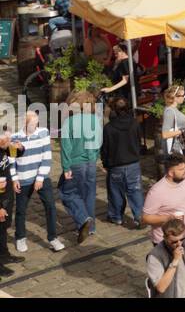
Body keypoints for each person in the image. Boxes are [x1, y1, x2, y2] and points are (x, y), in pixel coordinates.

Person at [59, 90, 100, 245]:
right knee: (89, 194)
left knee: (67, 193)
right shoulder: (95, 120)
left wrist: (66, 166)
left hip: (75, 163)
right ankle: (91, 227)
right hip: (91, 163)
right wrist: (94, 157)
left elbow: (66, 147)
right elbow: (98, 142)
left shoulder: (69, 122)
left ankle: (83, 219)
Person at [99, 97, 143, 230]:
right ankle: (139, 217)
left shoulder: (108, 128)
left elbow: (105, 149)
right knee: (135, 191)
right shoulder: (134, 123)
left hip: (115, 166)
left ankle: (116, 217)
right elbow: (138, 141)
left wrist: (105, 163)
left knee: (116, 193)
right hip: (133, 164)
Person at [143, 154, 185, 243]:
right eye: (181, 169)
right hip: (167, 241)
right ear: (170, 173)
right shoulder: (157, 191)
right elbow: (146, 218)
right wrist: (169, 218)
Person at [146, 217, 185, 299]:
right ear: (165, 238)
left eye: (182, 239)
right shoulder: (154, 257)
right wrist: (175, 260)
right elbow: (161, 288)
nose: (179, 244)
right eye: (174, 242)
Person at [0, 131, 24, 276]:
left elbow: (17, 153)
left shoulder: (3, 147)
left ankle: (4, 254)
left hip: (6, 196)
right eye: (6, 140)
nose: (9, 142)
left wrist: (20, 148)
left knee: (3, 228)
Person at [157, 85, 185, 160]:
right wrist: (182, 131)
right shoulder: (169, 112)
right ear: (175, 97)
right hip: (174, 148)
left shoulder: (172, 109)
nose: (184, 97)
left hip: (178, 145)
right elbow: (165, 134)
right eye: (182, 95)